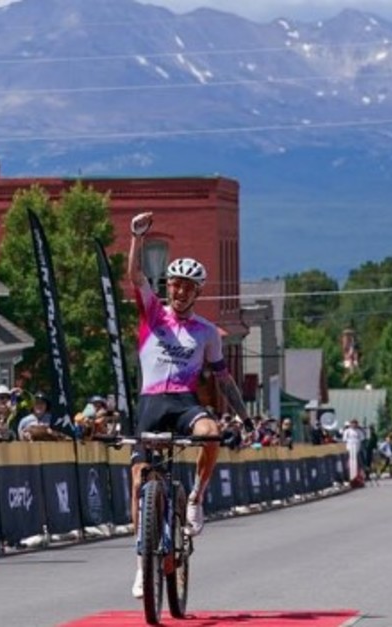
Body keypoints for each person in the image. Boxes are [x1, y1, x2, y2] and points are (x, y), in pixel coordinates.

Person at [126, 211, 248, 599]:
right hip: (149, 403)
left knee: (210, 433)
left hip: (183, 403)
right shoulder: (152, 312)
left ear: (197, 293)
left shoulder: (207, 332)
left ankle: (195, 498)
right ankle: (141, 561)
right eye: (175, 285)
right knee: (138, 481)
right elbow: (135, 275)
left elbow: (223, 378)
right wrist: (136, 237)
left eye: (187, 288)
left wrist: (243, 417)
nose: (179, 292)